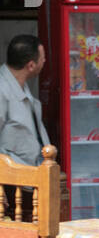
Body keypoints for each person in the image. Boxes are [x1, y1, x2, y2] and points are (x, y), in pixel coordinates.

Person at [0, 35, 49, 165]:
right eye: (42, 58)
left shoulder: (21, 84)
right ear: (31, 66)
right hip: (14, 181)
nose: (45, 61)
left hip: (35, 177)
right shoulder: (2, 90)